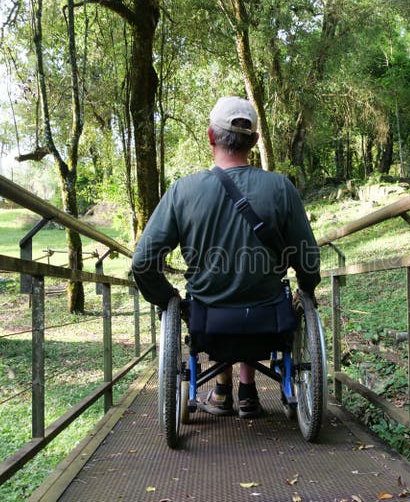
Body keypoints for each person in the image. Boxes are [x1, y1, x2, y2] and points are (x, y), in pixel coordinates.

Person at [132, 96, 320, 418]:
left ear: (210, 136)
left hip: (208, 322)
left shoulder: (183, 191)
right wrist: (307, 288)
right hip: (269, 320)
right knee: (256, 285)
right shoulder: (280, 188)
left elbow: (142, 262)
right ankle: (246, 393)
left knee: (221, 288)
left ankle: (222, 392)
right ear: (255, 141)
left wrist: (168, 299)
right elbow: (308, 260)